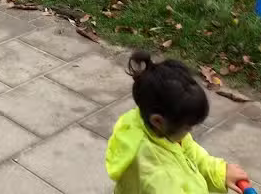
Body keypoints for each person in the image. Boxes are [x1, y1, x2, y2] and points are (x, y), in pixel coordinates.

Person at [106, 51, 249, 193]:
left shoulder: (153, 124)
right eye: (188, 127)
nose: (190, 131)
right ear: (157, 121)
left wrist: (219, 172)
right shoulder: (158, 177)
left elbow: (191, 153)